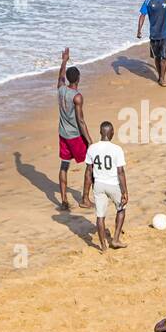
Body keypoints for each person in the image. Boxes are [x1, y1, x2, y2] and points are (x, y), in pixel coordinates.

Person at [56, 47, 92, 211]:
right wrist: (90, 141)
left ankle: (64, 199)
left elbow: (60, 76)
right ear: (78, 79)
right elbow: (81, 121)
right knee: (90, 163)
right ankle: (85, 199)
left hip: (62, 134)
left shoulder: (61, 89)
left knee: (64, 166)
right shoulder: (77, 97)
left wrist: (64, 60)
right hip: (75, 136)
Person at [83, 121, 127, 251]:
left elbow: (88, 172)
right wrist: (125, 191)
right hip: (113, 184)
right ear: (112, 133)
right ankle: (115, 239)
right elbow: (120, 172)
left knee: (100, 216)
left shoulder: (92, 148)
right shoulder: (117, 149)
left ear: (100, 132)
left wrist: (85, 193)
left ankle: (103, 246)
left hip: (98, 185)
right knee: (121, 209)